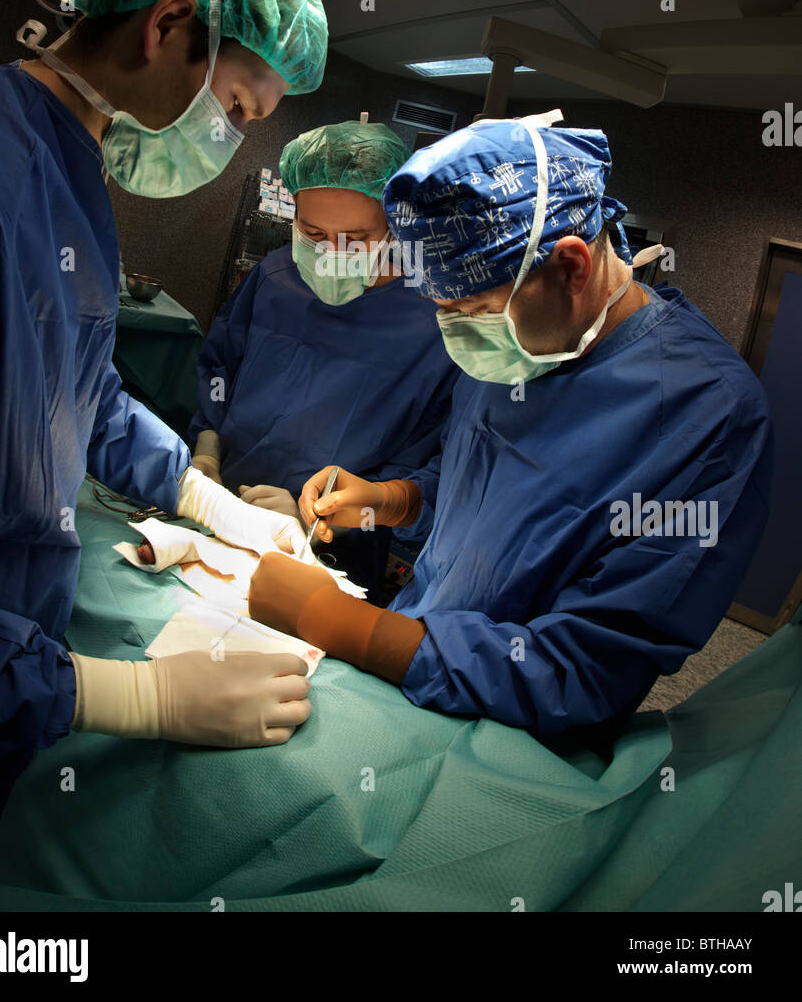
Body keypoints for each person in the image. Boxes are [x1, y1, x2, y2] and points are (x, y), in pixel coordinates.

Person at [0, 0, 328, 865]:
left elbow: (82, 390)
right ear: (169, 26)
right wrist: (126, 696)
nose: (231, 140)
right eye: (236, 108)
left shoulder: (66, 169)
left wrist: (209, 503)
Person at [247, 112, 773, 741]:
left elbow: (583, 674)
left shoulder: (707, 416)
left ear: (572, 267)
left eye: (474, 310)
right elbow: (474, 474)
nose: (460, 331)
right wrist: (392, 500)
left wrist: (349, 626)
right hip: (405, 656)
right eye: (444, 309)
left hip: (509, 739)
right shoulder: (524, 341)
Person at [189, 121, 459, 600]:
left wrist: (319, 514)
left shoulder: (437, 322)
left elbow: (439, 467)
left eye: (355, 239)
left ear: (396, 226)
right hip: (220, 508)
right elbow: (219, 367)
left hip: (334, 558)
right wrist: (206, 449)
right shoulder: (274, 277)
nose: (332, 255)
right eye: (313, 233)